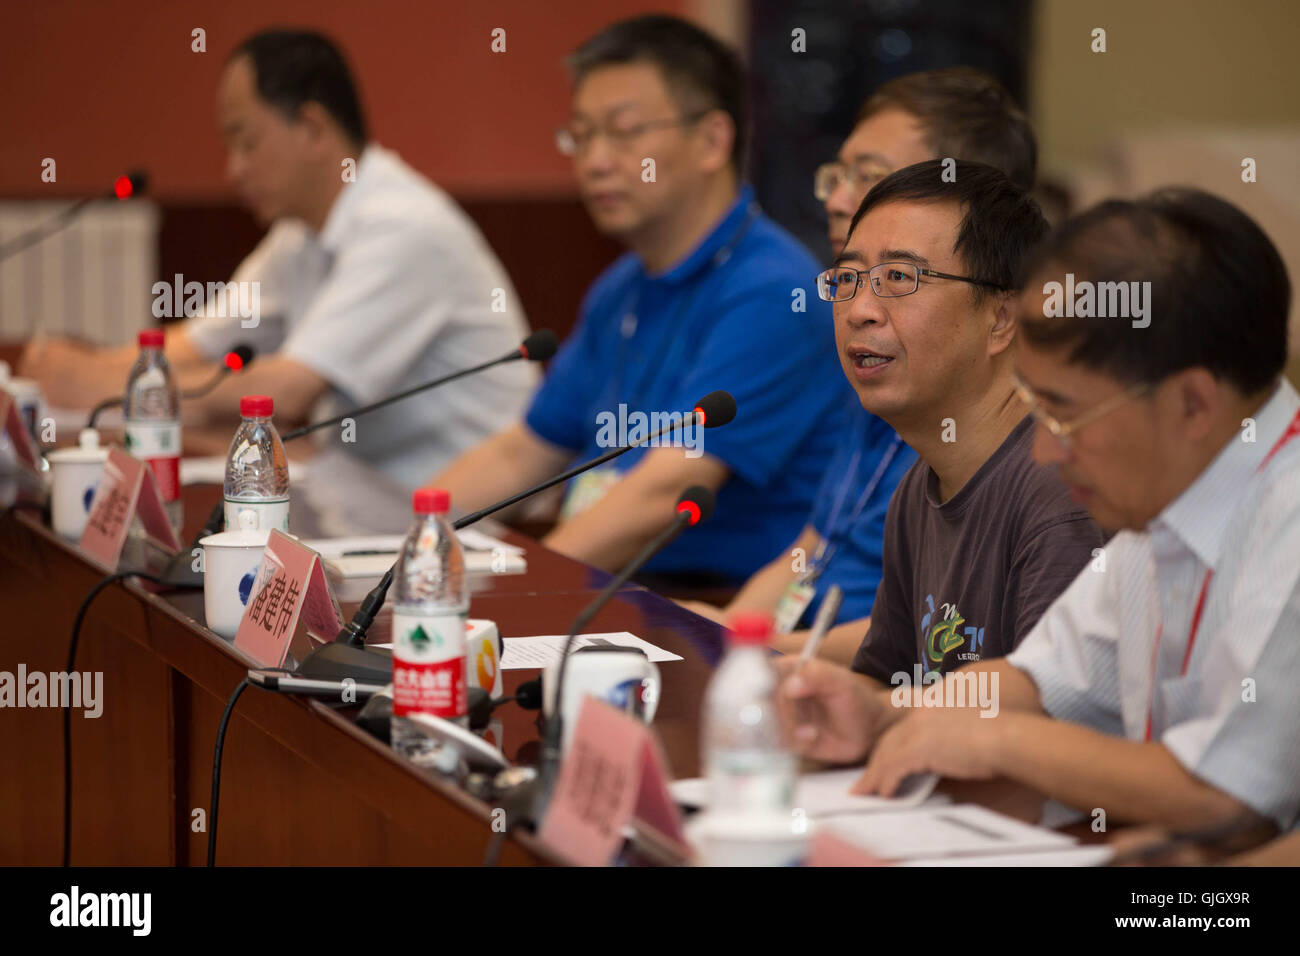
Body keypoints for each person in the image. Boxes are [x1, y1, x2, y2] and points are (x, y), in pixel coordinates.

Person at [782, 188, 1300, 834]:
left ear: (1192, 404)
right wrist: (888, 715)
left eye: (1066, 413)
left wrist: (996, 740)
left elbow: (1221, 791)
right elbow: (1039, 680)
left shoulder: (1288, 521)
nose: (1047, 448)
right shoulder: (1163, 501)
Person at [21, 29, 535, 488]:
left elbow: (286, 392)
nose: (234, 169)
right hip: (363, 490)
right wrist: (85, 367)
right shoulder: (299, 231)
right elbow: (197, 344)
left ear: (312, 128)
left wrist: (107, 387)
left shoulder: (403, 226)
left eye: (246, 142)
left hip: (480, 512)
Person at [432, 15, 845, 581]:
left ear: (711, 140)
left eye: (624, 131)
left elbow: (666, 491)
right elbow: (524, 453)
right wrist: (406, 546)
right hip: (617, 585)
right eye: (581, 134)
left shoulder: (775, 292)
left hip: (709, 611)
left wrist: (524, 592)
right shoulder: (621, 287)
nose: (595, 159)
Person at [685, 68, 1040, 662]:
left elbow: (993, 670)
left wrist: (766, 654)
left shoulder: (1022, 463)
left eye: (870, 176)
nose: (839, 198)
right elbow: (810, 551)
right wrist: (732, 644)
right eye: (849, 281)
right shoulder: (885, 377)